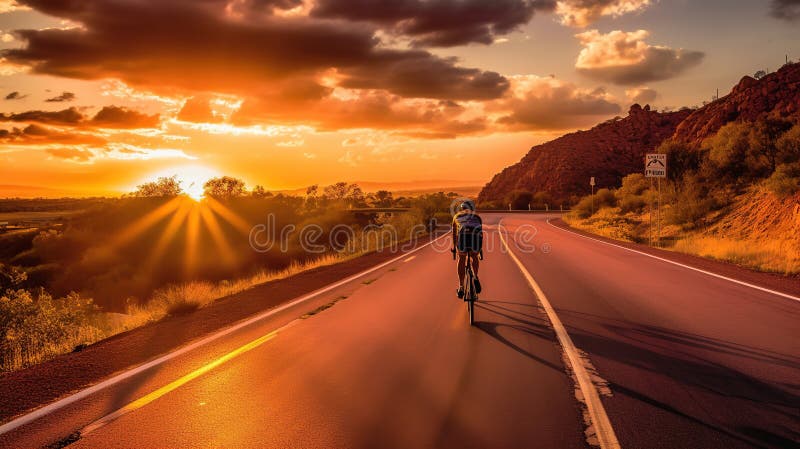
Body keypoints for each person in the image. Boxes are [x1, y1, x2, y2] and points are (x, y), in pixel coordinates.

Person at [452, 200, 483, 299]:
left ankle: (461, 287)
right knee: (474, 256)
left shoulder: (457, 216)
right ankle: (475, 276)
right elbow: (481, 233)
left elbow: (455, 234)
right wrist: (479, 249)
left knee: (461, 258)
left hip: (463, 236)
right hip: (476, 237)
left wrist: (455, 246)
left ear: (462, 209)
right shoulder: (477, 217)